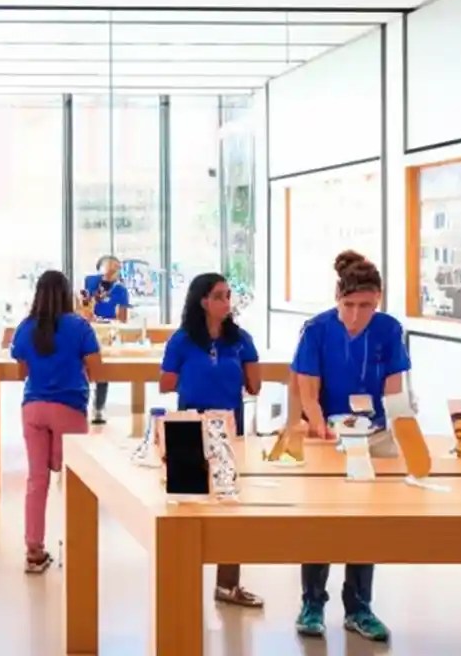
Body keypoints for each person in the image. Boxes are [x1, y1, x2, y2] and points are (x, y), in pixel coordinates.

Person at [291, 250, 409, 643]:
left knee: (365, 522)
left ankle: (359, 606)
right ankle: (312, 602)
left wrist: (401, 429)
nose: (357, 315)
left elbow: (394, 391)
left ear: (379, 301)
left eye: (367, 306)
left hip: (373, 437)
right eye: (349, 305)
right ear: (336, 297)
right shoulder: (317, 330)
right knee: (320, 521)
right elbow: (308, 393)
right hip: (326, 436)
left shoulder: (389, 330)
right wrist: (322, 428)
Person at [159, 273, 263, 608]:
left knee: (230, 506)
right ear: (203, 300)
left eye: (228, 295)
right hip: (188, 427)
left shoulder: (241, 340)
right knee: (186, 506)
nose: (226, 302)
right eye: (220, 295)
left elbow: (255, 386)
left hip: (229, 428)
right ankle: (180, 581)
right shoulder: (181, 341)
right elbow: (166, 382)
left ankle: (228, 585)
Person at [10, 270, 101, 573]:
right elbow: (96, 370)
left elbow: (22, 373)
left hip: (33, 407)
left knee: (37, 479)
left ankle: (33, 550)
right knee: (75, 480)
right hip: (69, 407)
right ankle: (76, 548)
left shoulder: (25, 328)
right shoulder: (80, 327)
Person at [81, 255, 129, 424]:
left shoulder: (121, 290)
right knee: (82, 367)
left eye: (117, 269)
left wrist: (114, 326)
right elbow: (83, 305)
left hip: (106, 331)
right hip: (87, 329)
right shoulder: (90, 282)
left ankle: (98, 407)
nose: (113, 272)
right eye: (110, 268)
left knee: (102, 367)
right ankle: (80, 404)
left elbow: (123, 318)